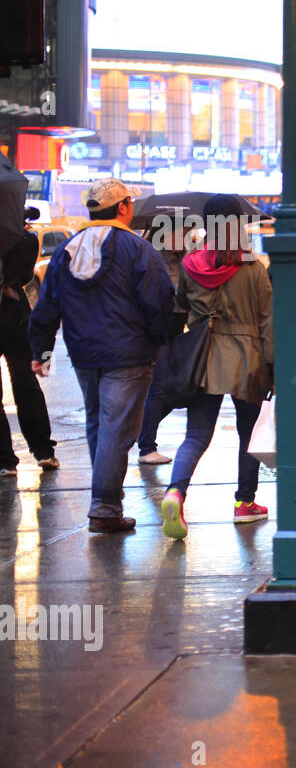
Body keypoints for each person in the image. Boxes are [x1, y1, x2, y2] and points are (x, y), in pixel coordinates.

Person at [28, 178, 175, 532]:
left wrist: (42, 350)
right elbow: (159, 303)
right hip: (129, 354)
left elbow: (47, 305)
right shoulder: (137, 249)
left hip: (84, 354)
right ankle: (106, 506)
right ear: (123, 207)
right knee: (116, 429)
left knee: (99, 424)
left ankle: (104, 501)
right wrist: (158, 342)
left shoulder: (68, 249)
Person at [160, 194, 273, 540]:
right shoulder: (254, 268)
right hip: (247, 358)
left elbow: (179, 305)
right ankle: (244, 503)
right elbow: (267, 321)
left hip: (203, 356)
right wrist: (272, 364)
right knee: (248, 434)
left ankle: (176, 492)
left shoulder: (191, 264)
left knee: (196, 434)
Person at [0, 207, 58, 475]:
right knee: (26, 384)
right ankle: (43, 451)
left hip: (14, 319)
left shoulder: (24, 239)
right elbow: (22, 277)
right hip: (16, 317)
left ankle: (5, 461)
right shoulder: (26, 239)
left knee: (24, 385)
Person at [134, 220, 195, 465]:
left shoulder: (183, 256)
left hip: (176, 326)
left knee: (177, 388)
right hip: (157, 327)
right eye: (185, 232)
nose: (189, 237)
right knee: (159, 387)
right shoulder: (151, 256)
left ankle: (140, 429)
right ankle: (146, 446)